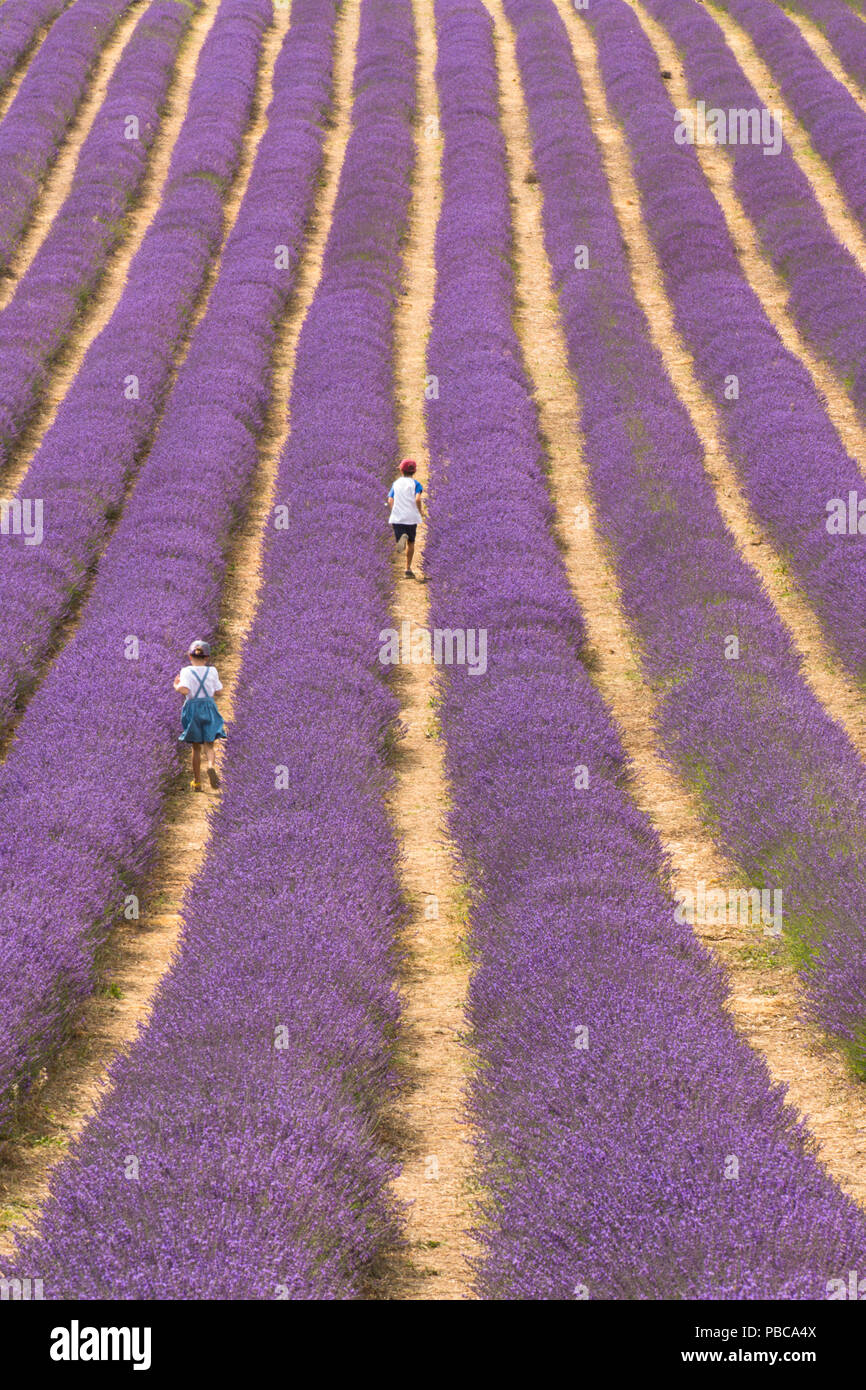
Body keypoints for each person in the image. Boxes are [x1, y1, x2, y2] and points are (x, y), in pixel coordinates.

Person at [174, 640, 225, 792]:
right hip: (209, 707)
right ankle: (210, 766)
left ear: (190, 657)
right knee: (209, 744)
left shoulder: (186, 671)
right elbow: (219, 691)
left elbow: (184, 690)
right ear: (207, 658)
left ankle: (197, 782)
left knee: (196, 748)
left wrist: (176, 686)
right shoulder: (212, 671)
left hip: (193, 709)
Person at [388, 457, 424, 578]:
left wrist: (395, 510)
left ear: (401, 471)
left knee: (401, 540)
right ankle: (408, 569)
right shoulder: (416, 484)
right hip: (411, 517)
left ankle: (400, 542)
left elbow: (390, 500)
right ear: (414, 471)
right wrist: (420, 511)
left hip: (398, 517)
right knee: (411, 542)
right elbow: (418, 498)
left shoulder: (396, 483)